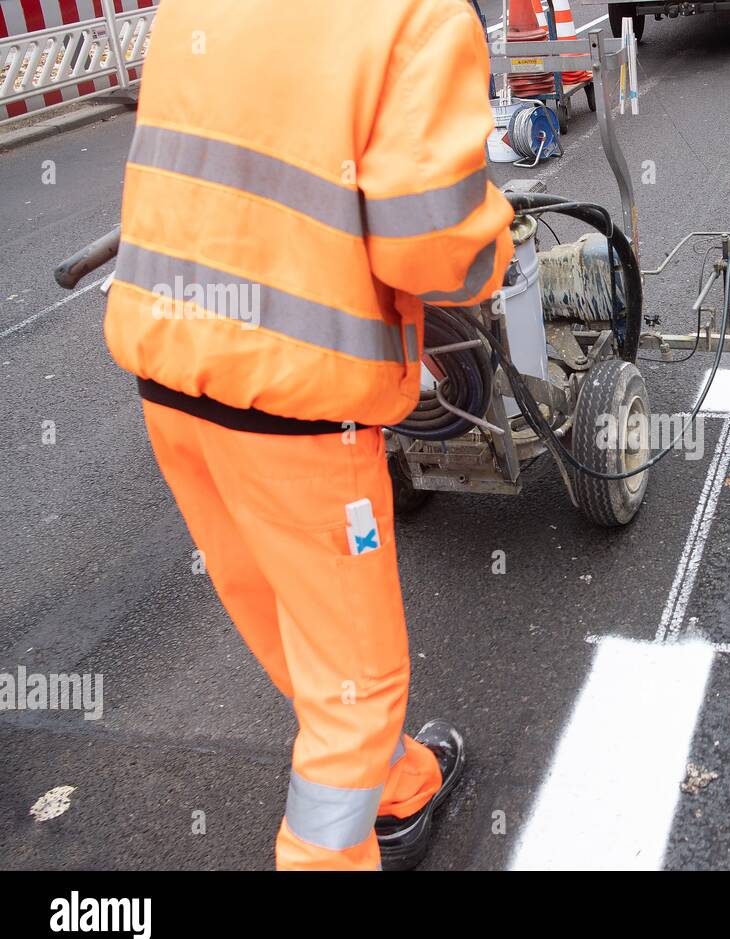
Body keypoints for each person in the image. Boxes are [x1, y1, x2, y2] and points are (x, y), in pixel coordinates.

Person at [102, 0, 515, 870]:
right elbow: (435, 249)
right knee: (359, 681)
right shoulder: (419, 17)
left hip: (171, 374)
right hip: (296, 413)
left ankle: (398, 789)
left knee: (299, 635)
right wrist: (494, 245)